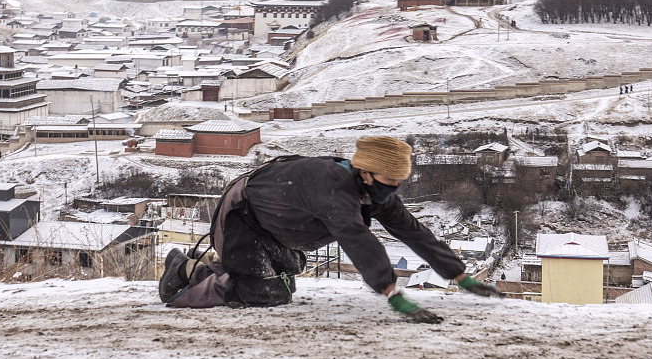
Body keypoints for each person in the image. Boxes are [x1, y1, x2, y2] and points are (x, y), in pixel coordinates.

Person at [158, 136, 502, 323]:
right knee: (269, 294)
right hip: (241, 218)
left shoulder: (372, 189)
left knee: (286, 272)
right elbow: (358, 239)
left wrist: (460, 276)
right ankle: (181, 277)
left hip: (272, 228)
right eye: (389, 181)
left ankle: (220, 270)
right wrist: (392, 294)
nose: (393, 188)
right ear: (366, 172)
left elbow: (413, 231)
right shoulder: (334, 186)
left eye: (398, 183)